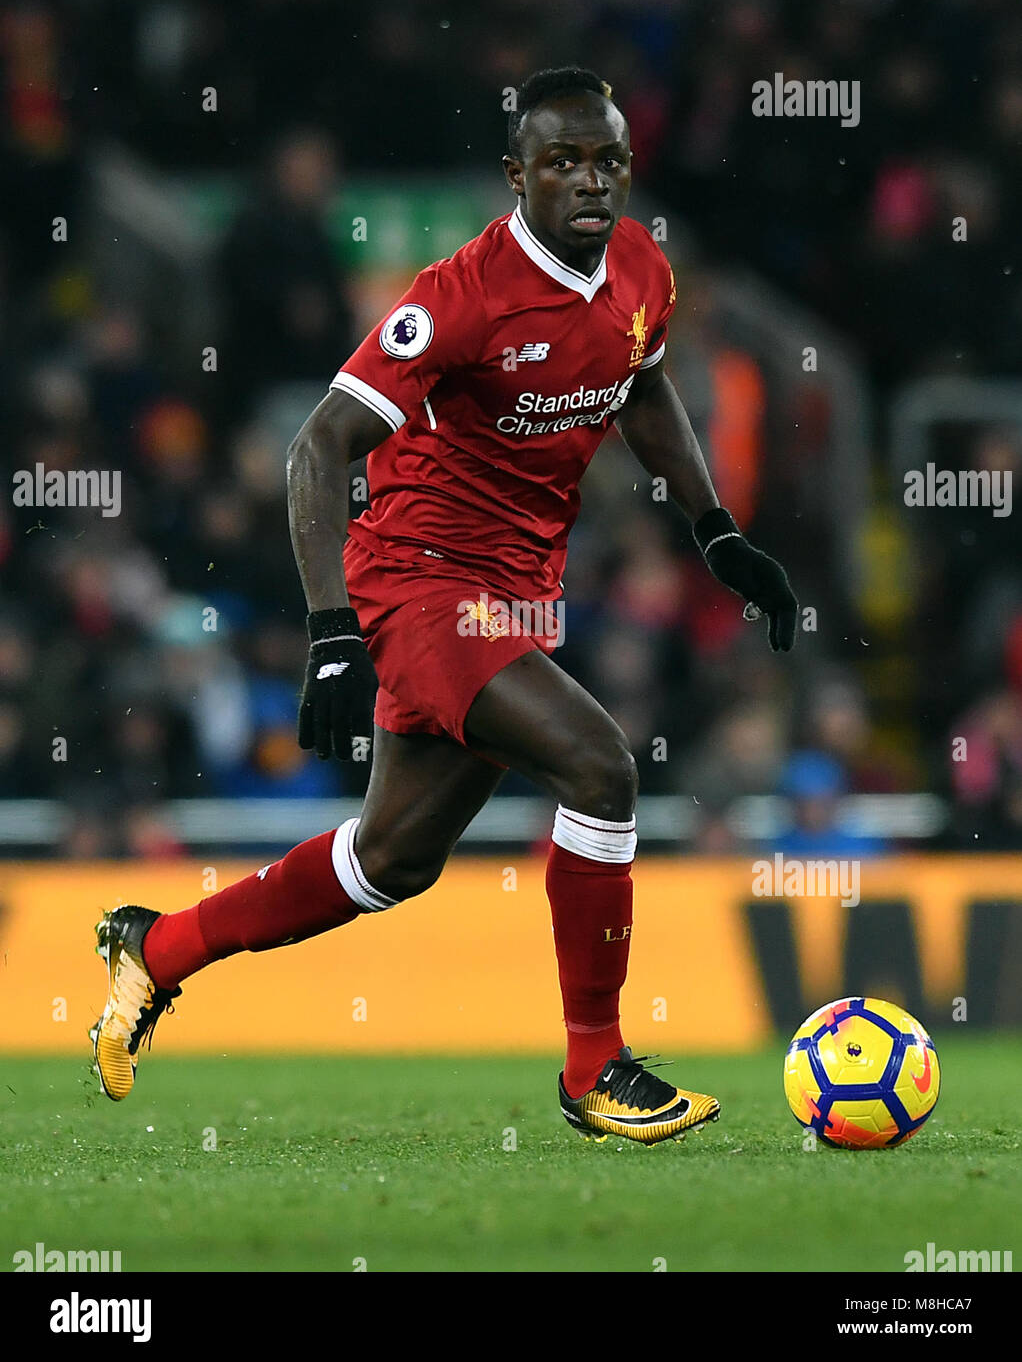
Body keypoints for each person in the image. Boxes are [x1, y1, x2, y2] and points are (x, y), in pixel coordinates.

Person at [91, 67, 797, 1145]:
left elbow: (640, 384)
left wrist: (714, 531)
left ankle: (161, 949)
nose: (588, 182)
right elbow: (317, 445)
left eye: (605, 161)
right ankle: (594, 1066)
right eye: (560, 163)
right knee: (599, 766)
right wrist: (331, 632)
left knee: (389, 861)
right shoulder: (458, 295)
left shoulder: (642, 267)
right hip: (419, 581)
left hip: (517, 595)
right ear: (516, 177)